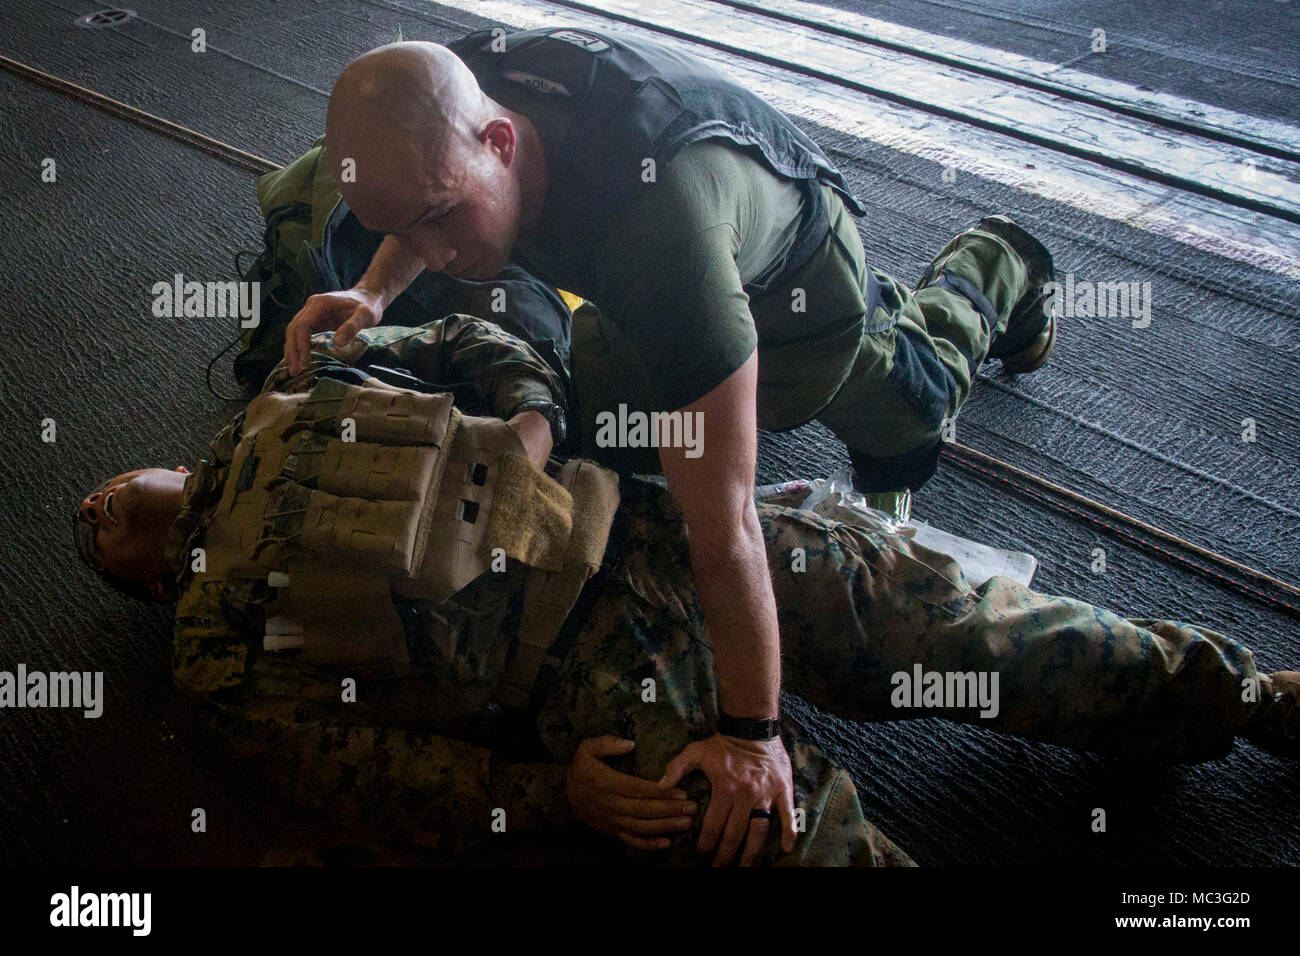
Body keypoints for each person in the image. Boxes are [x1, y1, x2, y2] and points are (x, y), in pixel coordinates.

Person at [76, 317, 1299, 867]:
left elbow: (474, 340)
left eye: (101, 493)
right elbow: (370, 773)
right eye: (92, 547)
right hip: (590, 685)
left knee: (973, 629)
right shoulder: (216, 652)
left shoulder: (304, 383)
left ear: (164, 459)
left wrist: (539, 416)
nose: (95, 516)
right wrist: (559, 797)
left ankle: (1242, 698)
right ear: (139, 587)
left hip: (661, 526)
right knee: (774, 843)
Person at [276, 26, 1062, 852]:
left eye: (442, 219)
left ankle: (997, 261)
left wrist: (753, 736)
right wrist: (370, 292)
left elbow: (724, 527)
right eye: (410, 228)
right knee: (608, 434)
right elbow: (415, 205)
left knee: (911, 402)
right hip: (649, 282)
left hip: (795, 291)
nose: (436, 257)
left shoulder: (657, 235)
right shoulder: (460, 95)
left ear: (501, 140)